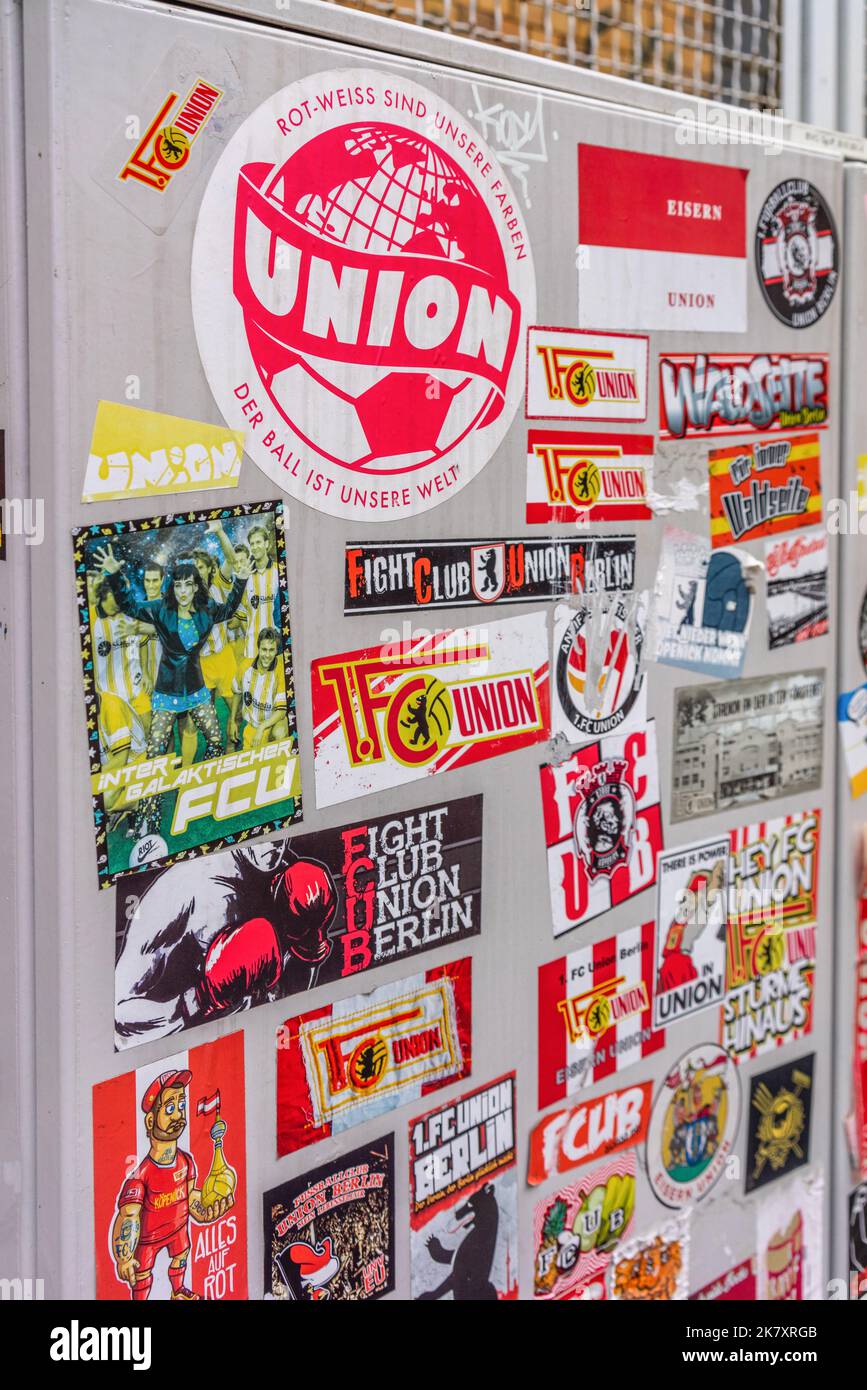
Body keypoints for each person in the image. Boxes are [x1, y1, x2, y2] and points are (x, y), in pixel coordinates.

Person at [92, 541, 250, 842]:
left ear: (195, 587)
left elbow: (230, 608)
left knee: (216, 740)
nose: (182, 591)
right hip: (166, 695)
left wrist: (241, 579)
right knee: (154, 756)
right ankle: (147, 819)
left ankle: (199, 791)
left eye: (187, 585)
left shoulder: (207, 610)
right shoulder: (161, 610)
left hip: (197, 691)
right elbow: (130, 606)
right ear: (173, 587)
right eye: (177, 585)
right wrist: (113, 574)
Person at [114, 842, 338, 1046]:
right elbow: (120, 1015)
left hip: (241, 1037)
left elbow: (298, 978)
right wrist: (199, 998)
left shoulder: (278, 866)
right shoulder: (202, 892)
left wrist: (306, 943)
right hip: (162, 1036)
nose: (275, 845)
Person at [110, 1069, 232, 1301]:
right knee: (142, 1274)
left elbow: (191, 1198)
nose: (178, 1115)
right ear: (150, 1120)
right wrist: (124, 1257)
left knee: (182, 1255)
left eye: (181, 1106)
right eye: (169, 1108)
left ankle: (178, 1291)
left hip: (178, 1230)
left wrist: (209, 1211)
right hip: (148, 1239)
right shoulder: (141, 1175)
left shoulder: (186, 1162)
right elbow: (129, 1215)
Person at [228, 626, 288, 750]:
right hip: (252, 728)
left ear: (276, 651)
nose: (267, 655)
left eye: (271, 650)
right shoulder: (245, 667)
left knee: (280, 732)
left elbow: (281, 711)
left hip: (271, 725)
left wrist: (262, 728)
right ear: (258, 648)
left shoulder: (281, 671)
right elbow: (237, 692)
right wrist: (233, 720)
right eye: (264, 649)